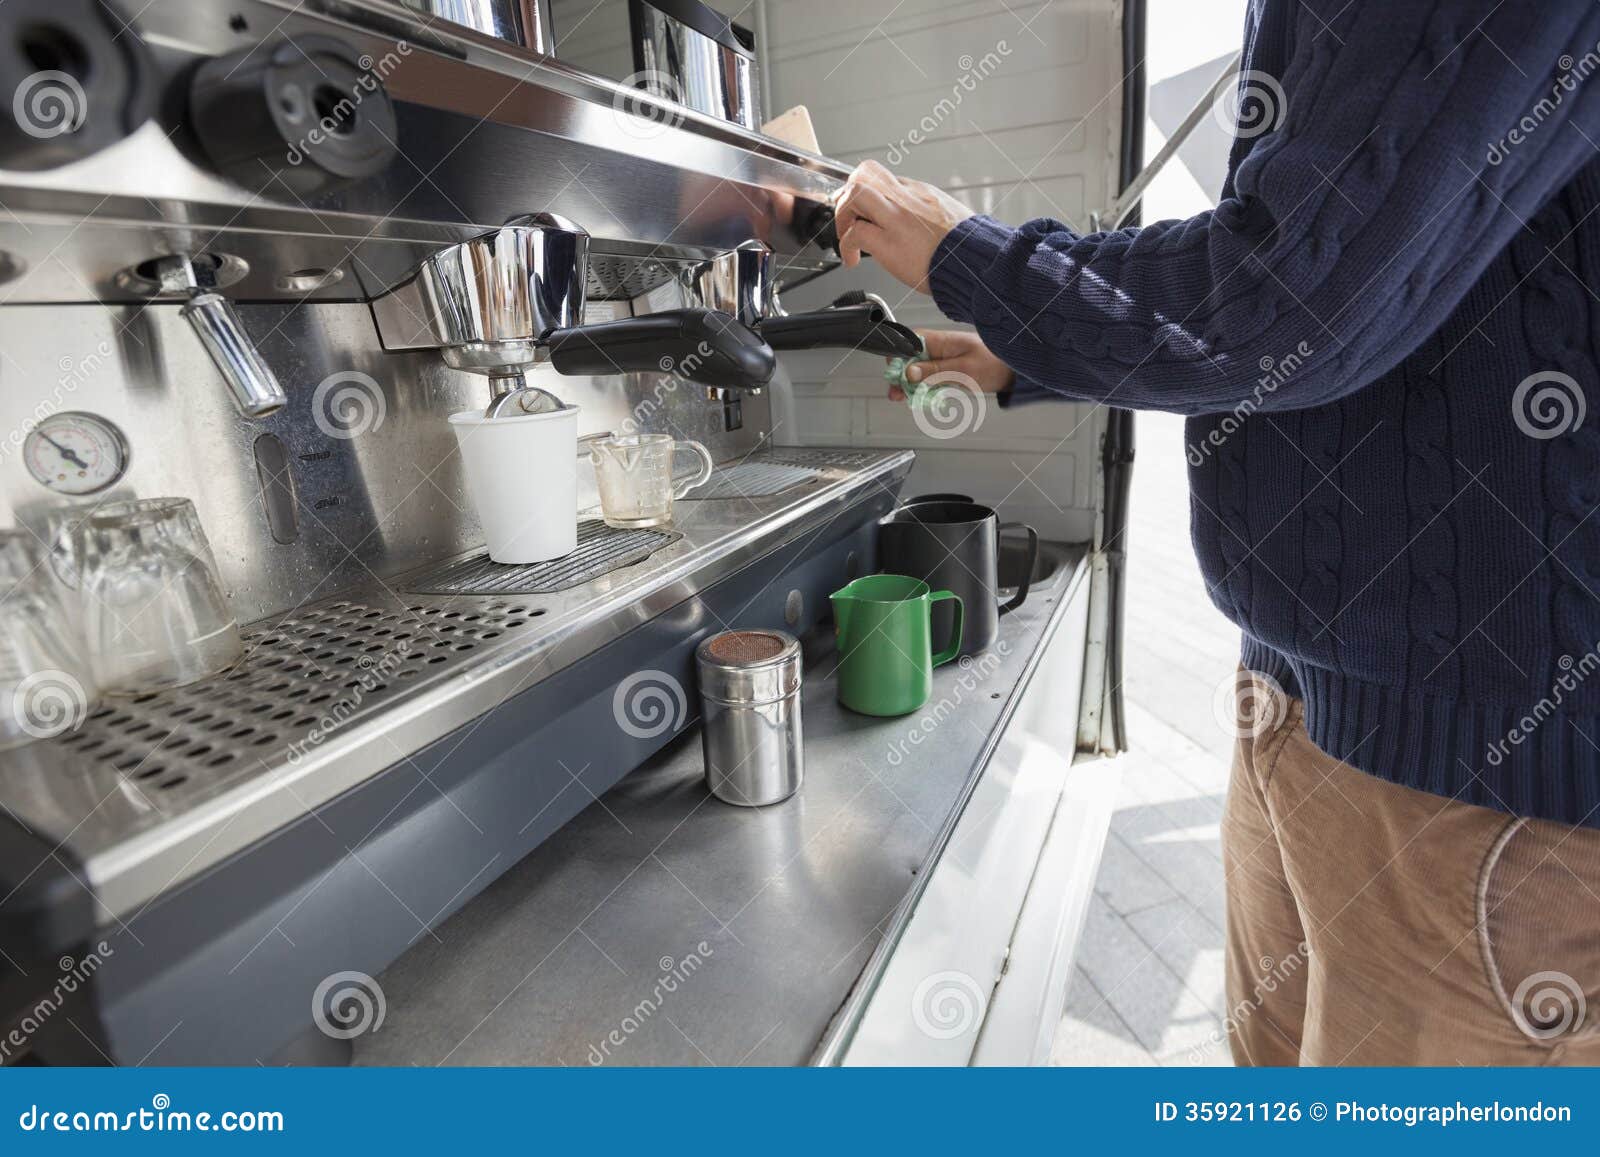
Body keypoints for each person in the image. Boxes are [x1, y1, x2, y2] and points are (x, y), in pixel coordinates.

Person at [833, 0, 1600, 1066]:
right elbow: (1324, 264)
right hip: (1297, 689)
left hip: (1483, 767)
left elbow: (1289, 292)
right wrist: (1028, 351)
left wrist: (968, 254)